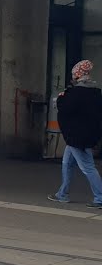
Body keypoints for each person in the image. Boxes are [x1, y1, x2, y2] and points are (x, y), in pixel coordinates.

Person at [49, 59, 102, 208]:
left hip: (76, 136)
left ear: (77, 76)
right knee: (67, 163)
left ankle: (100, 197)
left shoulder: (75, 93)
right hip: (87, 135)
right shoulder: (96, 92)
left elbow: (64, 108)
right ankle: (62, 194)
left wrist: (60, 98)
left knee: (88, 167)